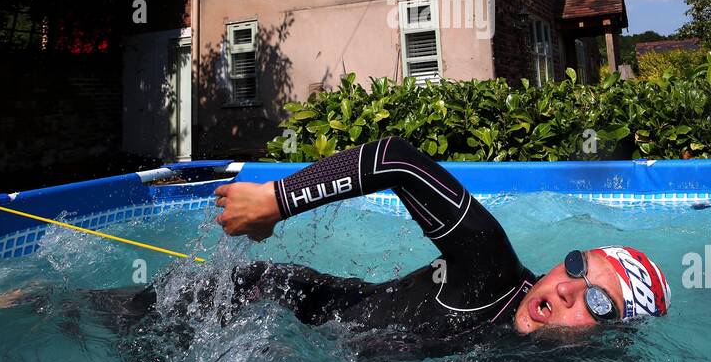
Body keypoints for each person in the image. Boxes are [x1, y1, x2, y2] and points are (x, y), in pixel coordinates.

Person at [208, 137, 670, 340]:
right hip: (268, 301)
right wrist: (275, 201)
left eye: (599, 302)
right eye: (574, 265)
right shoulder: (491, 274)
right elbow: (396, 160)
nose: (566, 288)